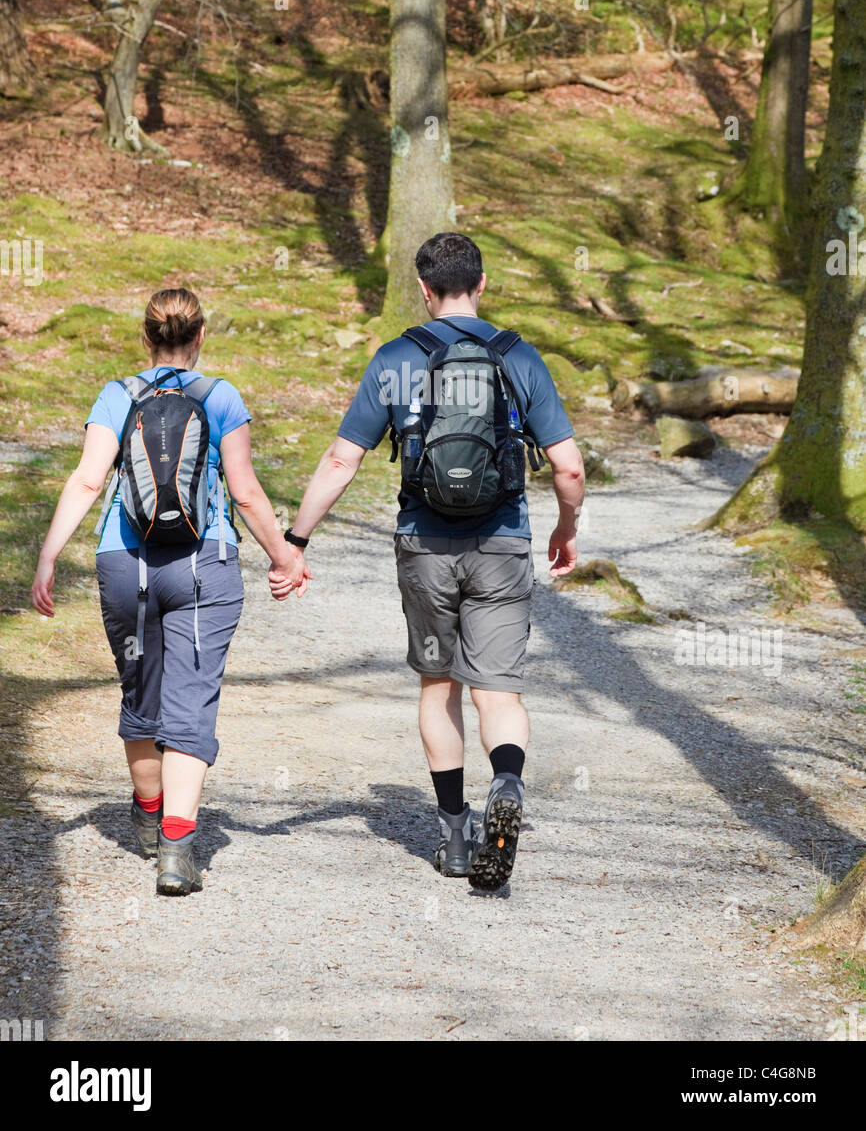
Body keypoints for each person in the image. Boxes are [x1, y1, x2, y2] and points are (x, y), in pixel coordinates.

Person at [271, 233, 584, 890]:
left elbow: (340, 460)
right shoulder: (517, 356)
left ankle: (455, 835)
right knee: (497, 689)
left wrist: (294, 542)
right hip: (501, 541)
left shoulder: (395, 358)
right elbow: (569, 466)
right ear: (483, 282)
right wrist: (565, 528)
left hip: (423, 543)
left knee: (437, 686)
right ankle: (507, 781)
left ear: (424, 289)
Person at [31, 288, 308, 897]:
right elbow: (246, 495)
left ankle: (148, 806)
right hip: (203, 564)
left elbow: (86, 479)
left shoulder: (117, 395)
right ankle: (177, 853)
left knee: (141, 687)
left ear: (145, 338)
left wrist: (49, 555)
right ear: (201, 337)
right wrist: (285, 554)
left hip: (122, 563)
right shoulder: (220, 396)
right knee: (191, 698)